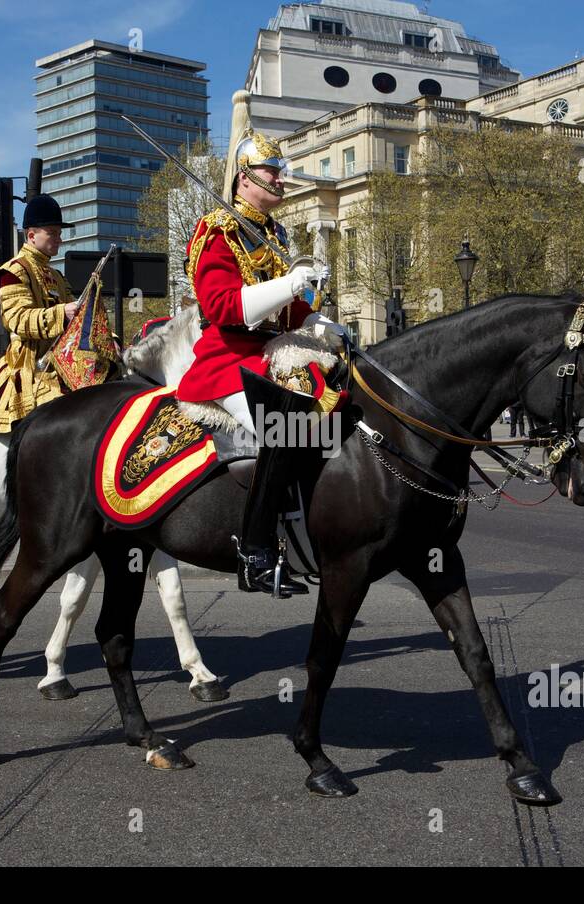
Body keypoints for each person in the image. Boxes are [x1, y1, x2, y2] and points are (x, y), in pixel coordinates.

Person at [176, 90, 341, 597]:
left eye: (279, 168)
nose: (280, 176)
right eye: (270, 170)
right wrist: (291, 283)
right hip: (228, 363)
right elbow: (223, 306)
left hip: (274, 355)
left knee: (337, 407)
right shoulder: (215, 230)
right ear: (244, 180)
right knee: (288, 426)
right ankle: (255, 550)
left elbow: (285, 312)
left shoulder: (273, 235)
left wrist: (318, 319)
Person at [0, 194, 112, 432]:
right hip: (29, 365)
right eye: (53, 233)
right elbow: (17, 319)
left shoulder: (56, 276)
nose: (59, 239)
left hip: (62, 360)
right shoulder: (13, 271)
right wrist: (61, 313)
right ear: (31, 236)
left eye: (59, 233)